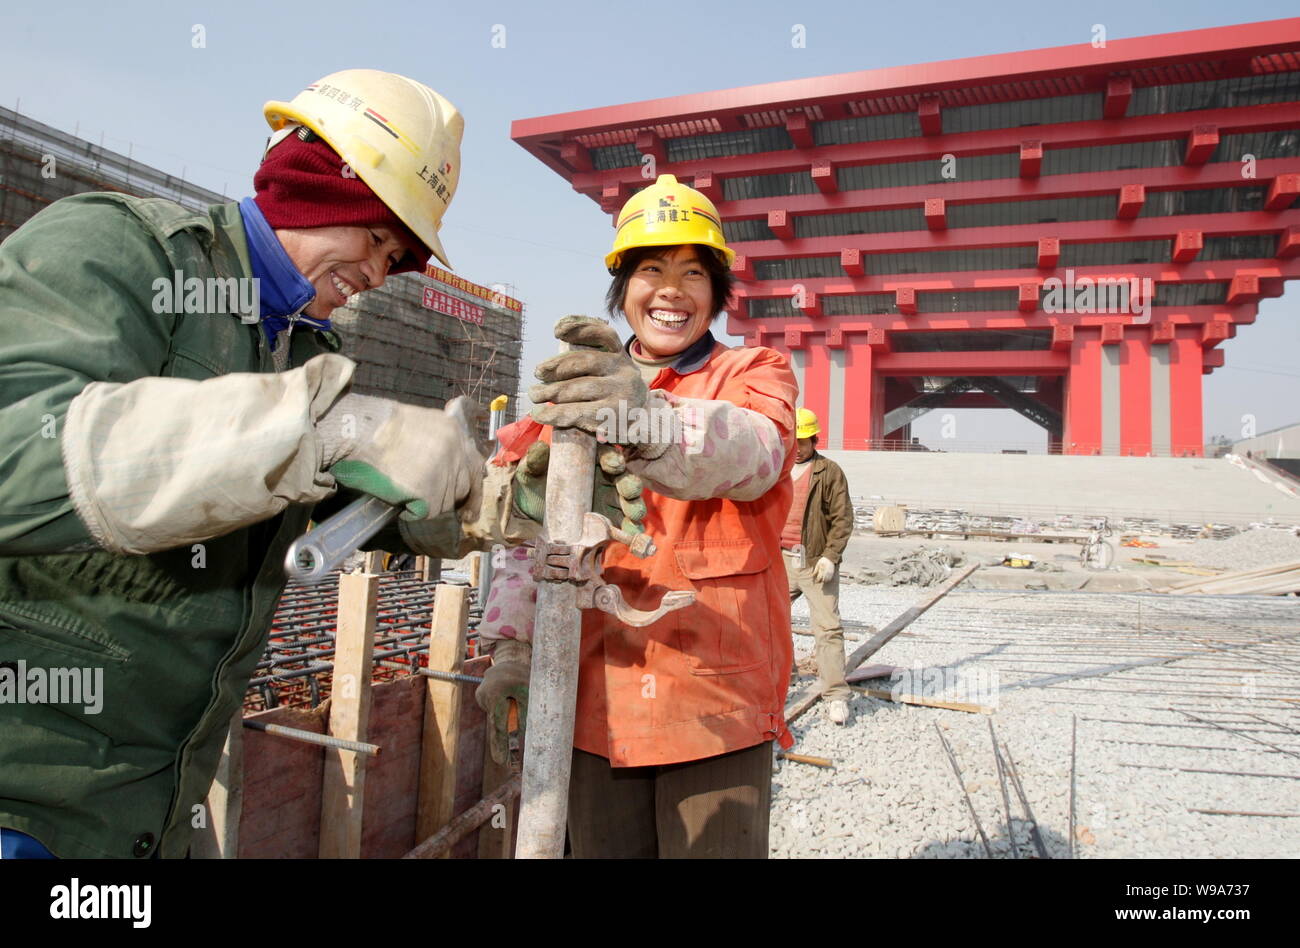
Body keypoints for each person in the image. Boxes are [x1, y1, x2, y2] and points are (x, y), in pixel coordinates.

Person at [0, 69, 490, 859]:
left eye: (397, 256)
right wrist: (314, 430)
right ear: (317, 186)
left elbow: (354, 510)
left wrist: (495, 501)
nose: (375, 274)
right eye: (375, 236)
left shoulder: (303, 351)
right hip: (28, 799)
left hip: (154, 812)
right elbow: (15, 447)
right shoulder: (119, 251)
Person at [473, 174, 798, 858]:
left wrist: (644, 415)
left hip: (716, 710)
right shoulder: (570, 398)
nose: (672, 290)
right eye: (651, 270)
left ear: (717, 293)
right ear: (622, 290)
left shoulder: (753, 373)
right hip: (593, 706)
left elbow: (756, 452)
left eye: (693, 272)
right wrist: (510, 647)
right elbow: (525, 530)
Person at [782, 409, 854, 724]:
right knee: (773, 626)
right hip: (779, 559)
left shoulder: (829, 472)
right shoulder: (777, 471)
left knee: (827, 628)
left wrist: (830, 556)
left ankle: (836, 695)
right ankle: (784, 679)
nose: (797, 447)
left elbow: (842, 519)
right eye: (792, 440)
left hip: (814, 562)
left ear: (814, 438)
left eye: (802, 441)